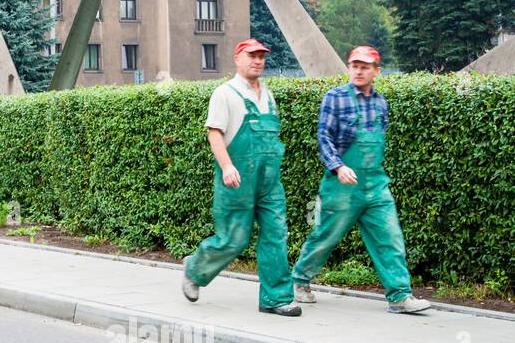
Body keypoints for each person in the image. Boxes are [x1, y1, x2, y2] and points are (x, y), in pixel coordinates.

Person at [292, 47, 430, 314]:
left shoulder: (381, 103)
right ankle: (300, 280)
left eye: (365, 66)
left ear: (376, 71)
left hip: (375, 185)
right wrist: (338, 166)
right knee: (325, 237)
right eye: (354, 65)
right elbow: (324, 138)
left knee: (390, 237)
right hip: (341, 185)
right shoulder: (335, 98)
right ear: (348, 68)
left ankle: (400, 296)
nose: (358, 70)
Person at [182, 39, 301, 316]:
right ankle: (195, 268)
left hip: (269, 183)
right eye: (252, 56)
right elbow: (214, 133)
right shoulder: (225, 93)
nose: (258, 61)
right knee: (233, 239)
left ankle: (277, 298)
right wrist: (226, 166)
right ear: (238, 58)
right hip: (236, 179)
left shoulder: (268, 95)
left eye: (261, 56)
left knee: (276, 235)